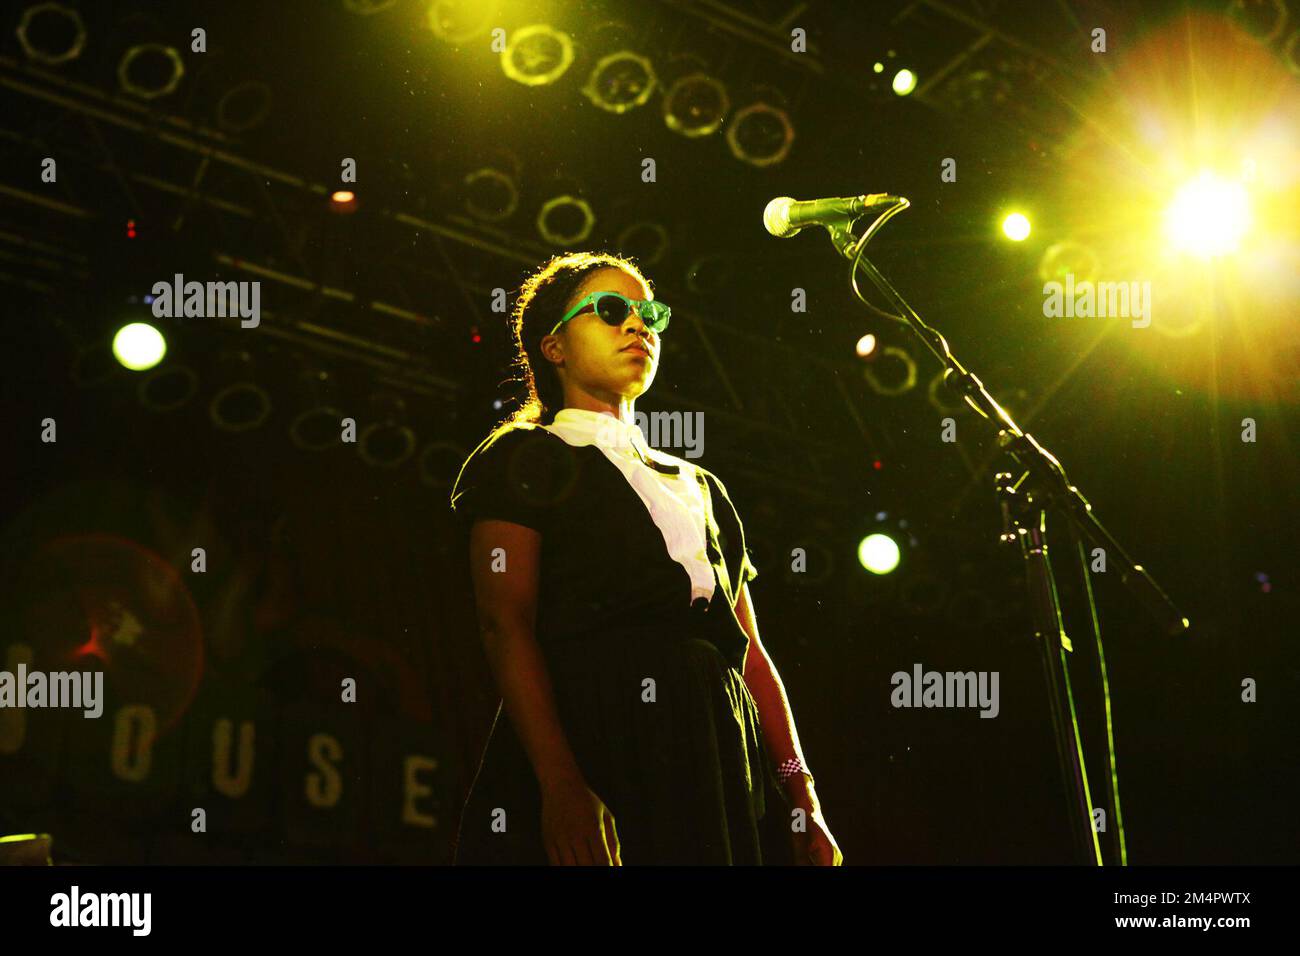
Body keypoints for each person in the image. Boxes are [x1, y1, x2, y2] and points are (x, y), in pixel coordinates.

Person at [449, 251, 842, 865]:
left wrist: (800, 791)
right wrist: (560, 785)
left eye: (649, 314)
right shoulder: (526, 457)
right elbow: (506, 624)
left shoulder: (702, 487)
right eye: (611, 311)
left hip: (714, 750)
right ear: (554, 348)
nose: (639, 327)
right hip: (600, 735)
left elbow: (751, 654)